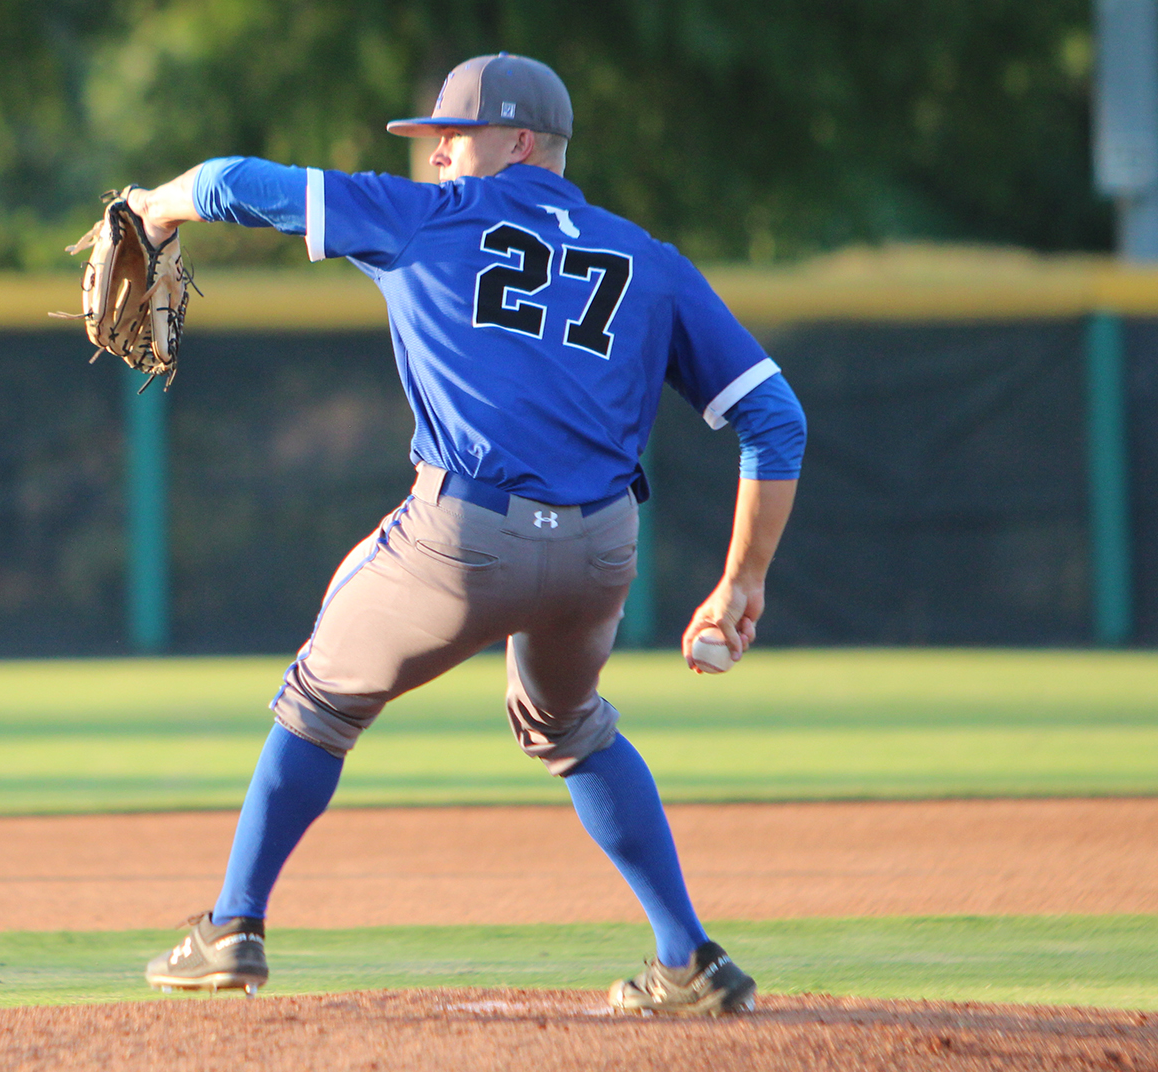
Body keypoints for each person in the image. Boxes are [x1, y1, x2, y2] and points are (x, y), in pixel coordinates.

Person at [130, 53, 805, 1016]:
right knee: (571, 725)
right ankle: (689, 959)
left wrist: (156, 206)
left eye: (454, 134)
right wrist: (743, 579)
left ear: (519, 142)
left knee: (319, 700)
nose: (438, 152)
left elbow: (236, 182)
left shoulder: (426, 217)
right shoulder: (651, 262)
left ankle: (233, 926)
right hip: (601, 554)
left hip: (466, 538)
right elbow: (775, 420)